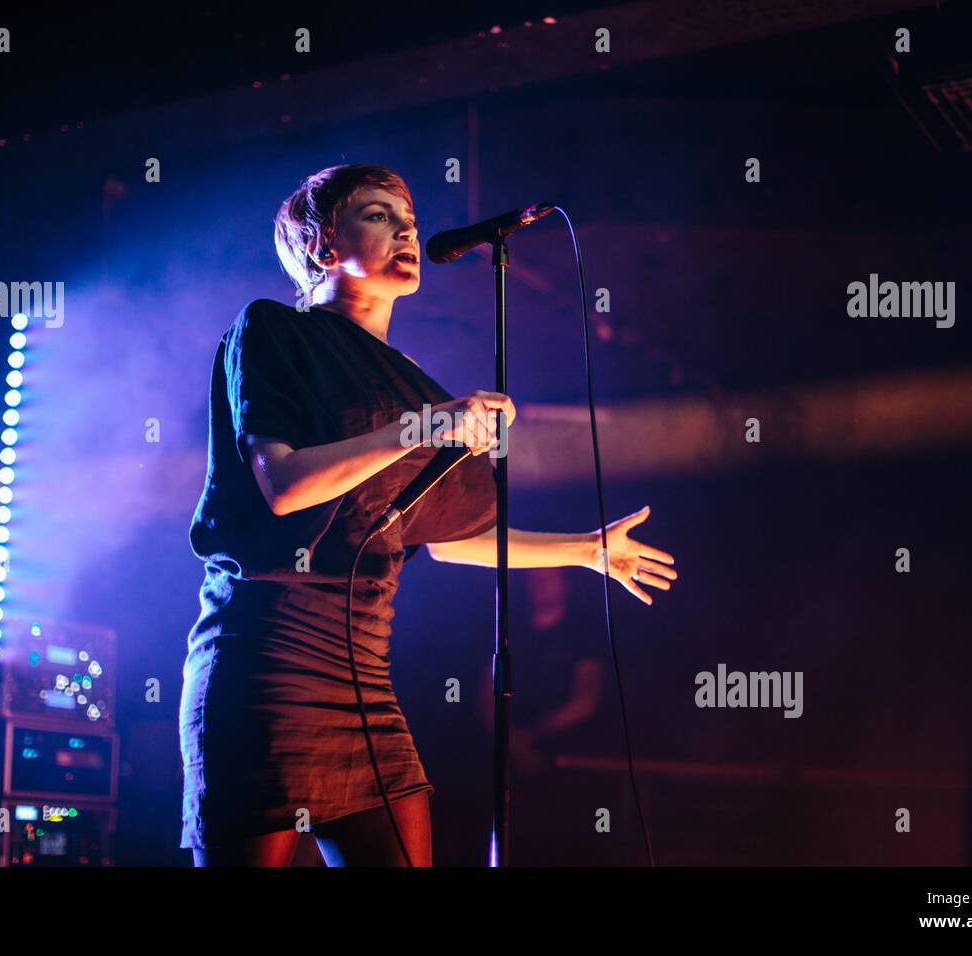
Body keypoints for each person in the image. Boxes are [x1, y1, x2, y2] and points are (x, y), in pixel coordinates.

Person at [180, 163, 677, 866]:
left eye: (409, 217)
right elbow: (284, 485)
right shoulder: (272, 330)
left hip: (364, 676)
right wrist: (421, 428)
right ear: (324, 245)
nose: (407, 229)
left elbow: (456, 539)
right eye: (380, 214)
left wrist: (587, 549)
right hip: (267, 663)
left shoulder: (410, 380)